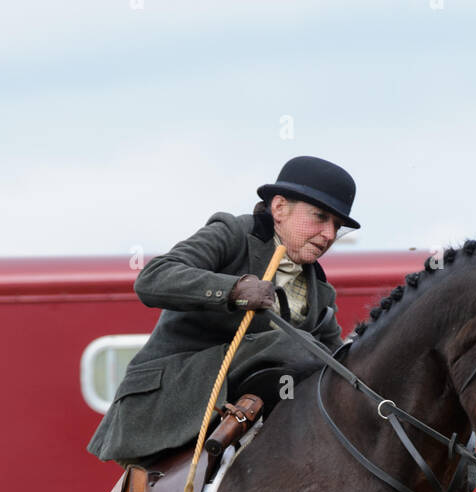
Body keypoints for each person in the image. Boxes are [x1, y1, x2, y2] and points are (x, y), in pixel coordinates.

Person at [86, 155, 359, 473]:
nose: (328, 234)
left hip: (254, 416)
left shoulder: (322, 291)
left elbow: (333, 364)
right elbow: (152, 279)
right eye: (320, 217)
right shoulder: (233, 231)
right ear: (280, 208)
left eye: (336, 226)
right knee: (292, 345)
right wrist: (235, 290)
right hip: (174, 397)